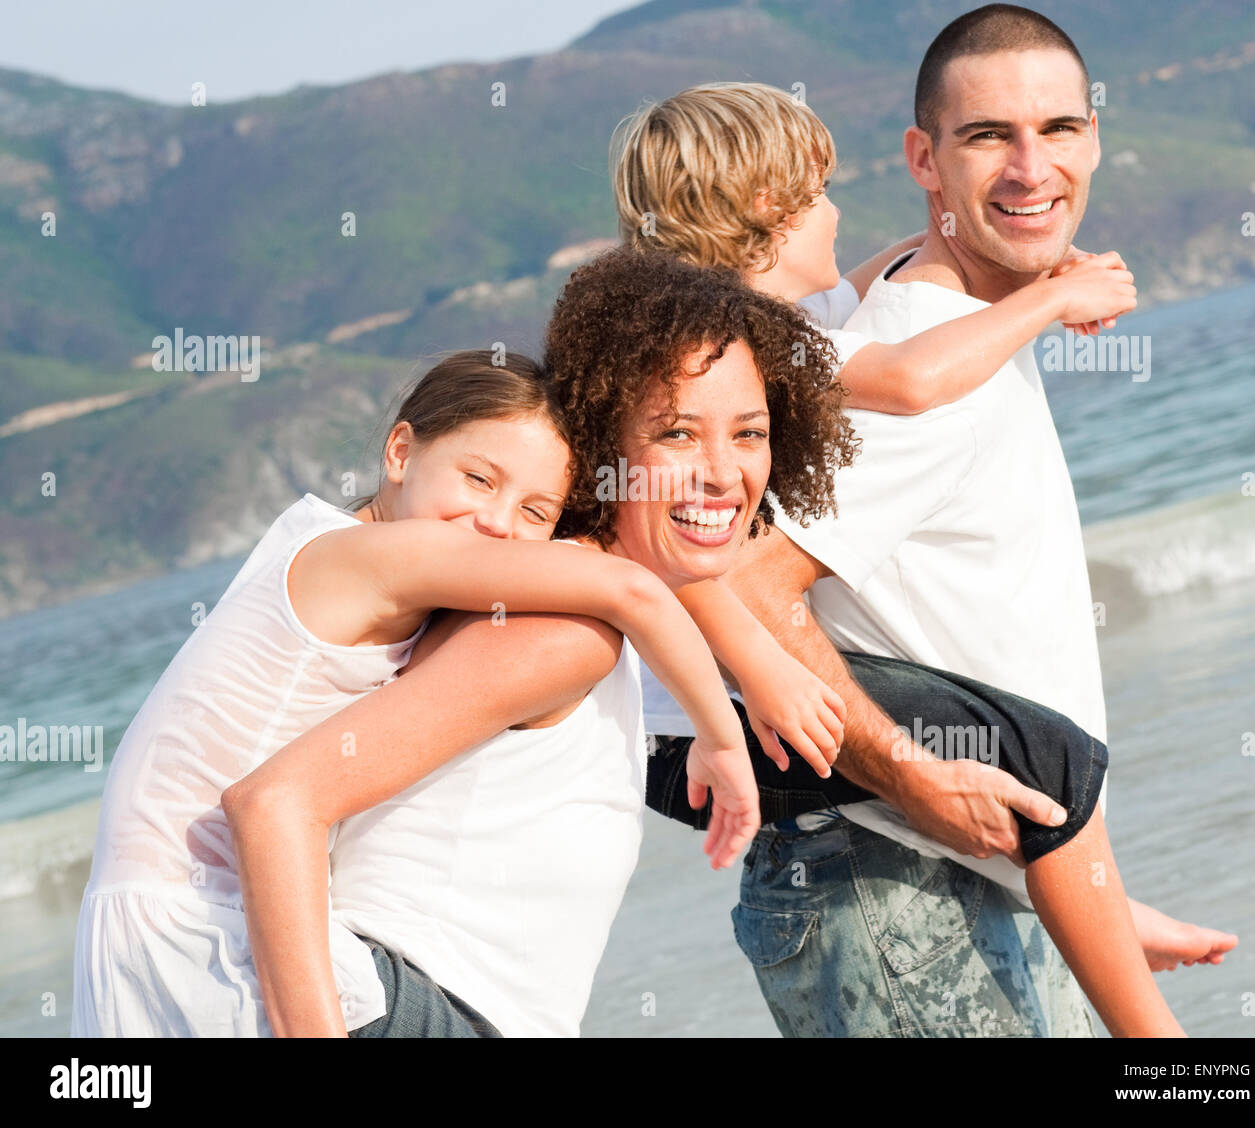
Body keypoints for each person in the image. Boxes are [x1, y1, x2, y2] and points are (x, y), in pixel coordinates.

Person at [612, 12, 1234, 1038]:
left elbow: (877, 288)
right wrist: (897, 762)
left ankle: (1108, 916)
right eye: (989, 136)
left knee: (1045, 768)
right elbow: (897, 394)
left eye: (1058, 130)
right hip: (878, 872)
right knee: (1050, 764)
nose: (1032, 166)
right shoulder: (780, 346)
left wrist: (1029, 262)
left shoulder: (809, 319)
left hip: (922, 865)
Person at [72, 345, 828, 1037]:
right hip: (202, 937)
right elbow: (629, 587)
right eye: (478, 478)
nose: (497, 524)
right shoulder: (378, 558)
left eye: (536, 511)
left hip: (155, 940)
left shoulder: (327, 550)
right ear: (401, 451)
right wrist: (721, 739)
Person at [218, 247, 858, 1037]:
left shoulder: (572, 597)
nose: (723, 474)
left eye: (750, 433)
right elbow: (278, 801)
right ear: (600, 448)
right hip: (416, 1007)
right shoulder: (564, 630)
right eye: (678, 435)